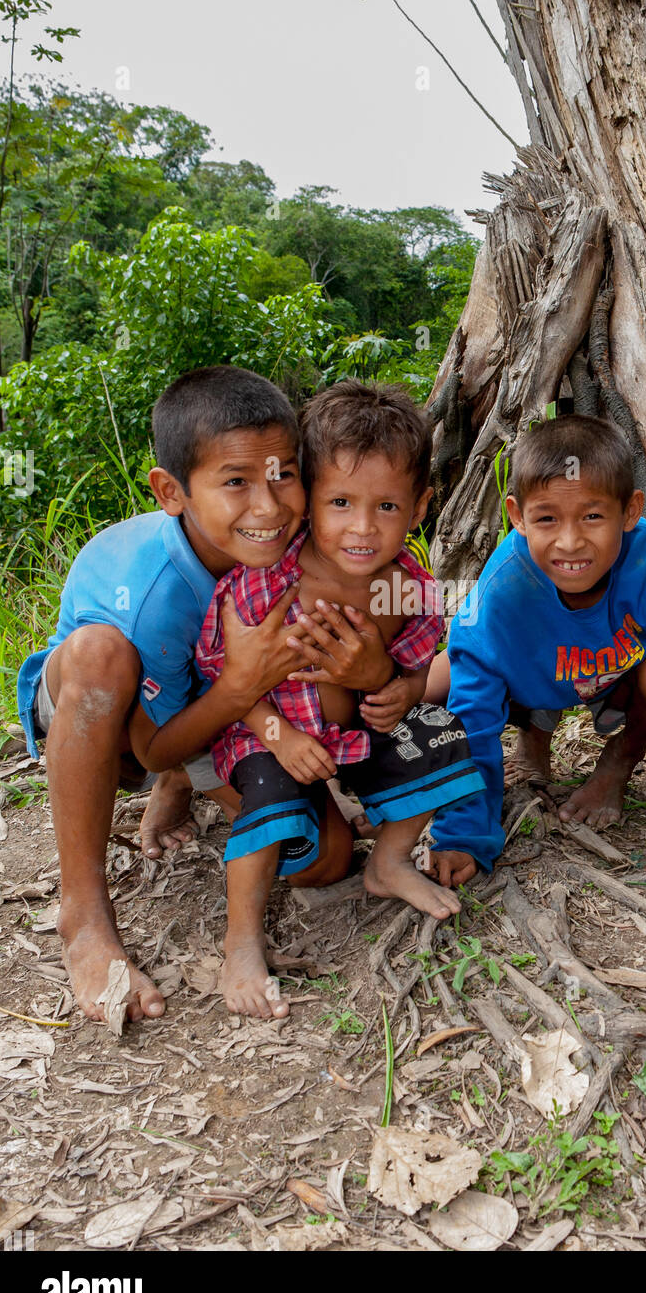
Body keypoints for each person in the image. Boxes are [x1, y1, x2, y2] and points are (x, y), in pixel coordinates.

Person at [16, 366, 388, 1025]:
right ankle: (84, 916)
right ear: (171, 491)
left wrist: (370, 672)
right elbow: (154, 750)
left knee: (325, 857)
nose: (269, 507)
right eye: (235, 483)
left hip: (220, 705)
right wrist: (242, 685)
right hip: (113, 716)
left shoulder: (293, 541)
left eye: (283, 474)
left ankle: (189, 788)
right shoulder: (153, 599)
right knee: (101, 657)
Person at [196, 379, 486, 1018]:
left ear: (418, 509)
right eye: (340, 502)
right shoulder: (271, 578)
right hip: (275, 734)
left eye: (387, 507)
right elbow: (224, 677)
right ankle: (240, 938)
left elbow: (419, 653)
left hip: (358, 732)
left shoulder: (407, 582)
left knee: (442, 734)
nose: (362, 528)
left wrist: (405, 692)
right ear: (307, 502)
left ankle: (386, 862)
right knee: (269, 799)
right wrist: (280, 736)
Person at [425, 414, 646, 905]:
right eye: (547, 518)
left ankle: (616, 766)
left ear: (630, 512)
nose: (570, 542)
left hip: (610, 678)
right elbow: (473, 711)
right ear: (518, 516)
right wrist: (463, 836)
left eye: (592, 516)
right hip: (525, 674)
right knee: (433, 681)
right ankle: (531, 739)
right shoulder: (504, 583)